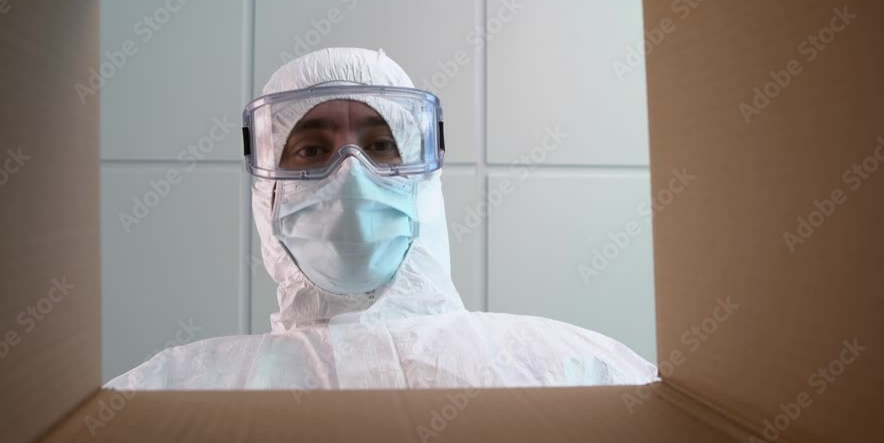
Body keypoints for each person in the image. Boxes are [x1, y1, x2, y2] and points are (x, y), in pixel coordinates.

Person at [106, 47, 657, 390]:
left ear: (425, 178)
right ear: (267, 195)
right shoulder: (179, 393)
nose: (352, 175)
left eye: (381, 146)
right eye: (313, 151)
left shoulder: (572, 371)